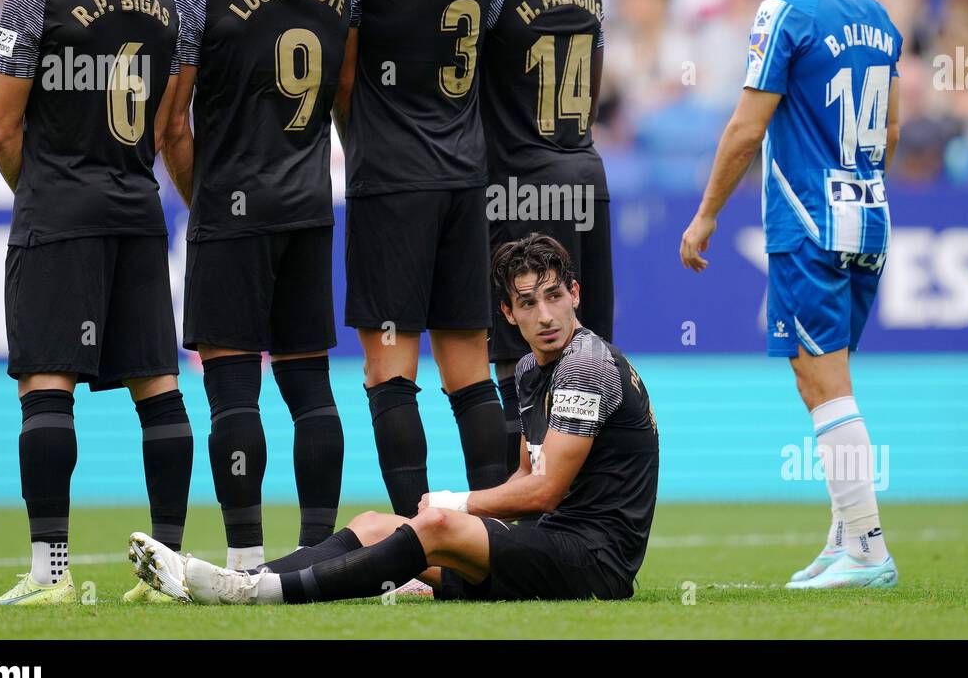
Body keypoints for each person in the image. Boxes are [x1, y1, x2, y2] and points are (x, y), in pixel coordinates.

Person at [127, 233, 659, 605]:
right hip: (551, 548)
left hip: (595, 562)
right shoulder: (528, 368)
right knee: (373, 524)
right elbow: (525, 477)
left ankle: (259, 593)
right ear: (508, 314)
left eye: (554, 296)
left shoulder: (587, 362)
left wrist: (457, 506)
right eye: (527, 303)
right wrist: (471, 529)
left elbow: (543, 493)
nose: (544, 315)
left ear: (575, 295)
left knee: (436, 523)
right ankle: (233, 577)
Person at [285, 0, 508, 518]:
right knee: (470, 371)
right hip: (463, 176)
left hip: (392, 178)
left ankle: (423, 539)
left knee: (390, 373)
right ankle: (495, 534)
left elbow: (344, 68)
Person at [680, 0, 902, 589]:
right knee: (834, 379)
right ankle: (845, 539)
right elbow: (892, 130)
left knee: (823, 387)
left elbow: (748, 127)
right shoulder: (876, 16)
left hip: (807, 222)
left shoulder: (784, 14)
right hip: (867, 219)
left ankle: (868, 548)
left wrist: (707, 214)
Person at [0, 0, 190, 605]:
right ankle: (169, 570)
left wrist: (37, 189)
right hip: (138, 208)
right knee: (159, 386)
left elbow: (3, 131)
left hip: (61, 209)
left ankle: (52, 575)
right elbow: (169, 120)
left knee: (47, 383)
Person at [158, 0, 351, 571]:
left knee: (235, 389)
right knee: (311, 388)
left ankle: (245, 561)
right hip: (309, 205)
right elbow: (346, 95)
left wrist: (203, 197)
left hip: (232, 211)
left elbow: (170, 124)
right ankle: (318, 559)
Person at [464, 0, 614, 473]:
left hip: (521, 186)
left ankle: (522, 508)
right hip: (585, 175)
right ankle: (593, 506)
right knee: (589, 351)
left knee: (516, 355)